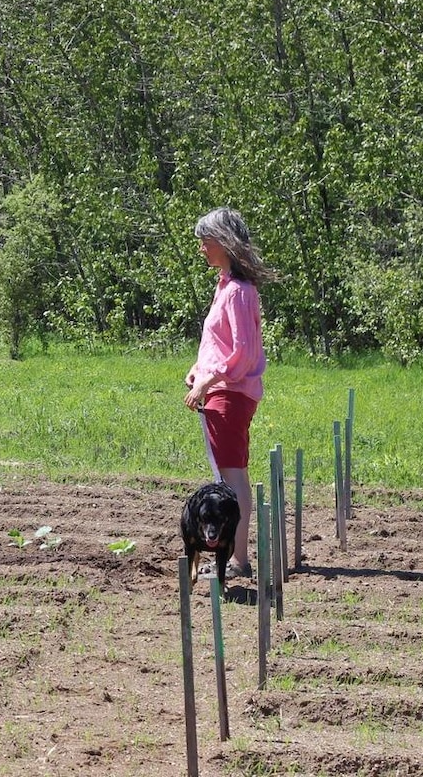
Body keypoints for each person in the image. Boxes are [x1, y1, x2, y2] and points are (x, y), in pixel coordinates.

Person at [183, 206, 279, 580]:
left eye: (205, 241)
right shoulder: (226, 286)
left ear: (223, 242)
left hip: (230, 393)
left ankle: (238, 561)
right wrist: (198, 371)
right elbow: (219, 345)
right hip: (224, 389)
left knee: (232, 479)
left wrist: (209, 382)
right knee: (230, 475)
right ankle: (235, 557)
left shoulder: (238, 291)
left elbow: (241, 353)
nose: (201, 248)